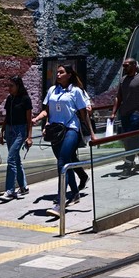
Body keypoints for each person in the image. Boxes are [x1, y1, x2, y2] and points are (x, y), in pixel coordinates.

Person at [38, 64, 95, 217]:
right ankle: (75, 192)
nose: (58, 74)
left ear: (69, 74)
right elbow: (47, 110)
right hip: (55, 132)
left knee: (62, 162)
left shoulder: (76, 91)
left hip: (71, 129)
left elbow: (84, 114)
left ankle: (59, 202)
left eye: (61, 72)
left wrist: (91, 133)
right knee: (65, 163)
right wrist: (41, 121)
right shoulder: (52, 90)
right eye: (57, 72)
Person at [110, 58, 139, 174]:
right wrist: (113, 112)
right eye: (123, 66)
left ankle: (129, 164)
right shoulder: (123, 80)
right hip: (124, 114)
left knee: (131, 138)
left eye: (127, 65)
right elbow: (119, 97)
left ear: (134, 65)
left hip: (136, 114)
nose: (124, 68)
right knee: (131, 138)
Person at [0, 76, 33, 201]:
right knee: (16, 158)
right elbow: (6, 117)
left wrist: (29, 137)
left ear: (18, 86)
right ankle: (23, 186)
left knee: (11, 158)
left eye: (11, 85)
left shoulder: (25, 99)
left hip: (20, 130)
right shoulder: (9, 99)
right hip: (9, 129)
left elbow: (29, 121)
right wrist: (2, 132)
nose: (9, 88)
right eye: (9, 85)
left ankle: (10, 190)